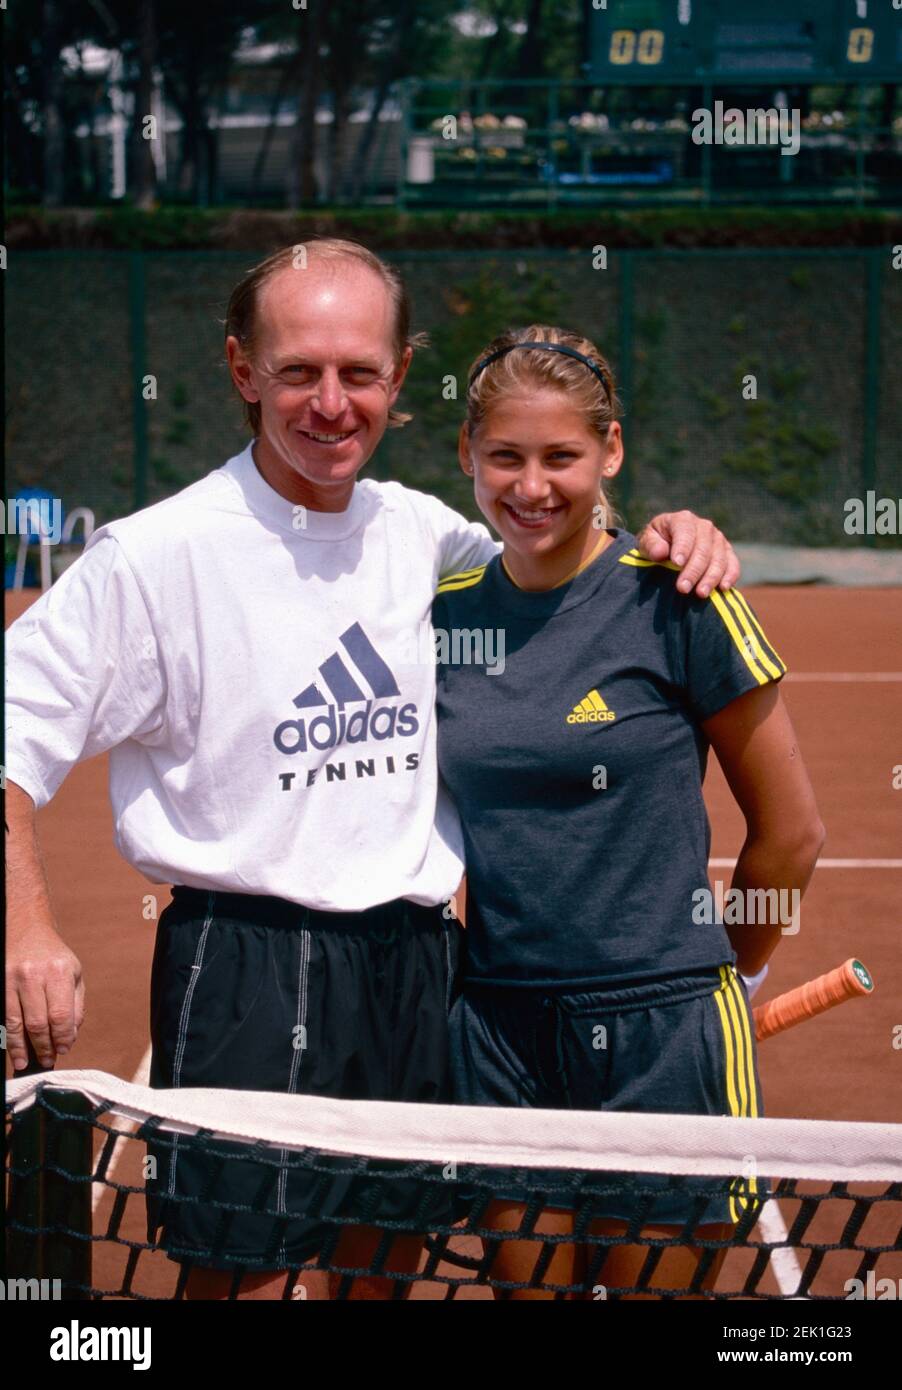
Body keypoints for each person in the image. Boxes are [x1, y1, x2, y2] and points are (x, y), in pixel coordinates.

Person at [6, 240, 741, 1302]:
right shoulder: (154, 556)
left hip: (416, 965)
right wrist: (25, 927)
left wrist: (668, 531)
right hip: (248, 967)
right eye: (297, 370)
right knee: (242, 1283)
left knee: (383, 1273)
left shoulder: (423, 536)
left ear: (398, 379)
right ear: (241, 369)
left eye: (359, 372)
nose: (330, 403)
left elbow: (563, 556)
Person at [432, 326, 825, 1300]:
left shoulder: (680, 599)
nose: (531, 486)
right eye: (504, 456)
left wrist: (728, 975)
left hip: (666, 1032)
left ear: (609, 451)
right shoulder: (437, 615)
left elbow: (790, 835)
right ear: (466, 455)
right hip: (499, 1030)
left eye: (560, 456)